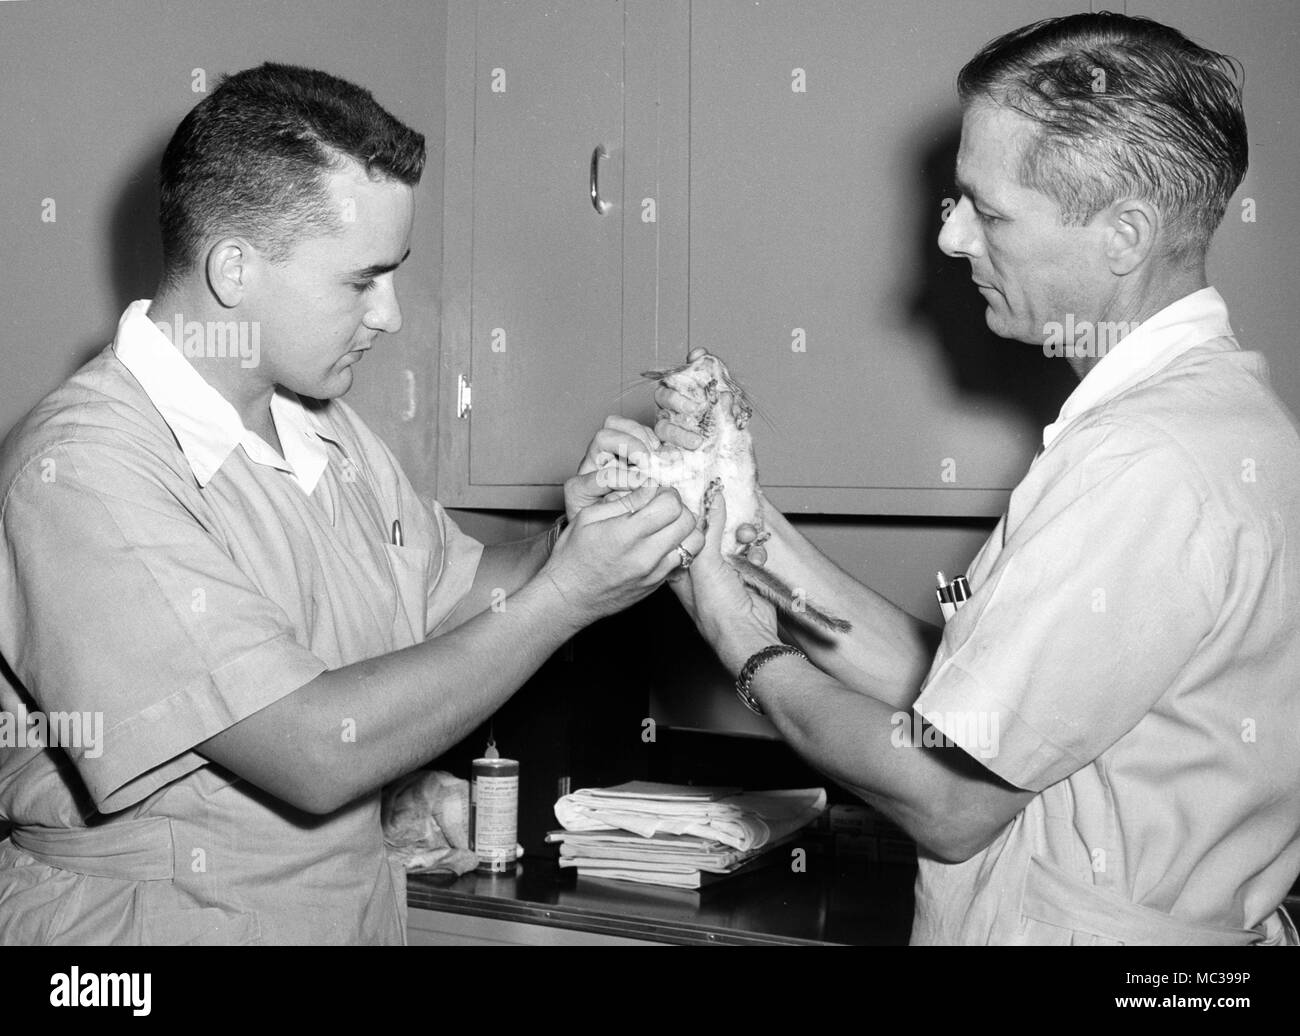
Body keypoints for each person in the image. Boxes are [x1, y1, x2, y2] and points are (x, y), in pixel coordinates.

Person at [0, 63, 696, 944]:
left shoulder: (320, 428)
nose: (392, 314)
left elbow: (462, 601)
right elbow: (317, 750)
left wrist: (583, 533)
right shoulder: (85, 470)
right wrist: (567, 599)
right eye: (362, 280)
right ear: (233, 272)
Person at [659, 12, 1300, 944]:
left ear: (1125, 234)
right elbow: (960, 700)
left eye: (988, 211)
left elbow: (948, 798)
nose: (953, 239)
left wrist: (732, 630)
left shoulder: (1140, 465)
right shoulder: (1226, 423)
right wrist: (741, 521)